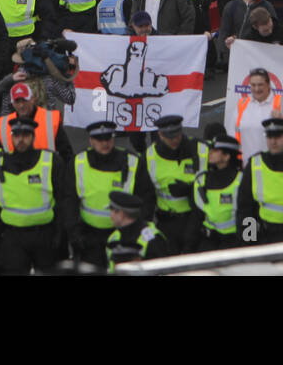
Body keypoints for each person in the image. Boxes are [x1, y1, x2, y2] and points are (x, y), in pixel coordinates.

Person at [0, 115, 74, 274]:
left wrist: (60, 232)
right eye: (17, 135)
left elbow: (62, 199)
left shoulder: (51, 162)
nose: (20, 140)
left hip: (43, 233)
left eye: (25, 135)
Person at [69, 120, 150, 267]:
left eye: (108, 138)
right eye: (99, 140)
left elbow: (146, 198)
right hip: (89, 236)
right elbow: (68, 199)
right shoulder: (78, 162)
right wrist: (74, 231)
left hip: (124, 235)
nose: (104, 143)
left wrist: (137, 230)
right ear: (91, 141)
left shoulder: (132, 162)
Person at [144, 114, 209, 253]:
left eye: (177, 135)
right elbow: (146, 196)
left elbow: (215, 182)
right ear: (160, 135)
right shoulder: (150, 156)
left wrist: (190, 190)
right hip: (167, 222)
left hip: (197, 219)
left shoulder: (201, 149)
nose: (174, 140)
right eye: (169, 137)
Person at [191, 133, 245, 251]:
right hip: (209, 241)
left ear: (226, 156)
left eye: (215, 150)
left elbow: (249, 215)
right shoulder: (201, 180)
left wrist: (249, 245)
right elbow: (196, 216)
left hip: (235, 242)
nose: (209, 153)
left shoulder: (242, 180)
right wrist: (189, 248)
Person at [234, 68, 283, 161]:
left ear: (268, 84)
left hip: (276, 165)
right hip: (247, 166)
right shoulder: (242, 104)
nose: (257, 89)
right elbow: (233, 134)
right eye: (253, 85)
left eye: (260, 85)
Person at [0, 81, 71, 154]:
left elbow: (66, 155)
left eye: (24, 100)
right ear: (12, 103)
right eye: (17, 101)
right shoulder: (3, 126)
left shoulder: (51, 121)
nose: (21, 105)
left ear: (32, 99)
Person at [105, 190, 169, 270]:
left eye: (112, 211)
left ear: (121, 214)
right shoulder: (114, 237)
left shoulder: (153, 240)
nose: (110, 216)